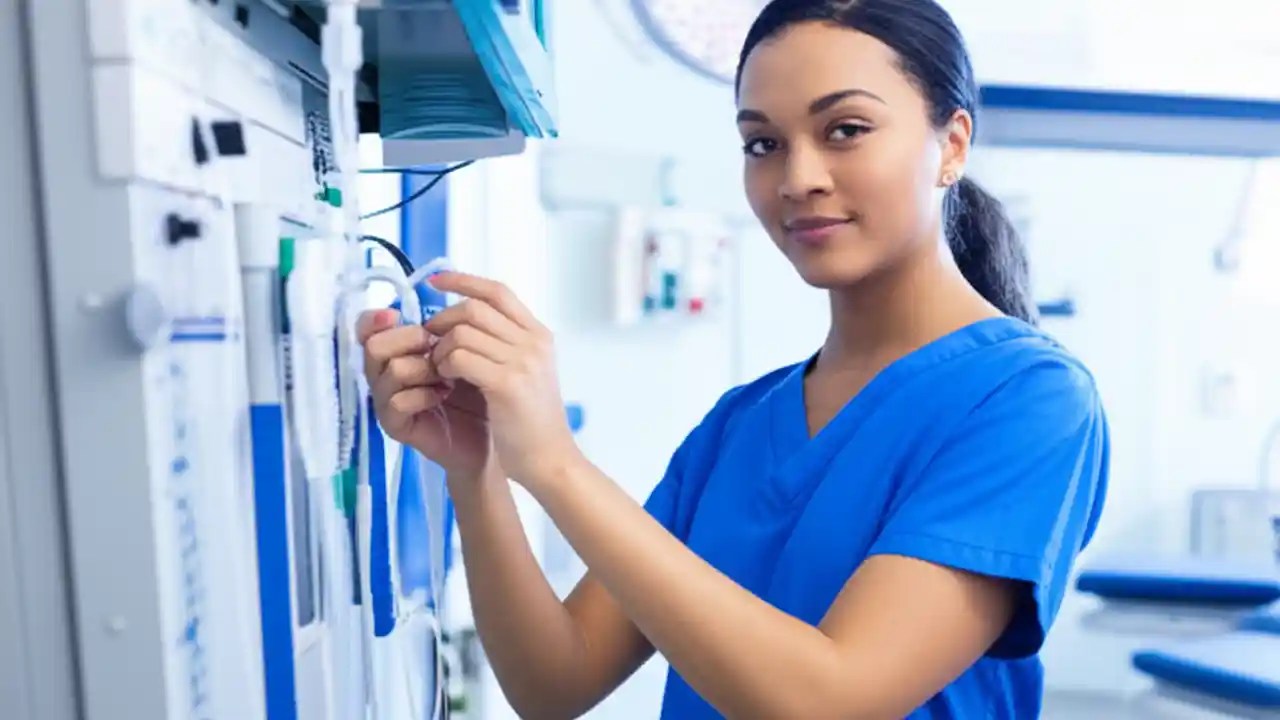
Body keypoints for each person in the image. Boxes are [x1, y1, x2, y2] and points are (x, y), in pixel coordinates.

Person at [357, 0, 1110, 716]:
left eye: (845, 129)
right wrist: (477, 469)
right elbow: (556, 682)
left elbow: (830, 699)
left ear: (950, 144)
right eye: (763, 143)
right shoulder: (742, 424)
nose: (798, 178)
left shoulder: (1030, 399)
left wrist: (554, 464)